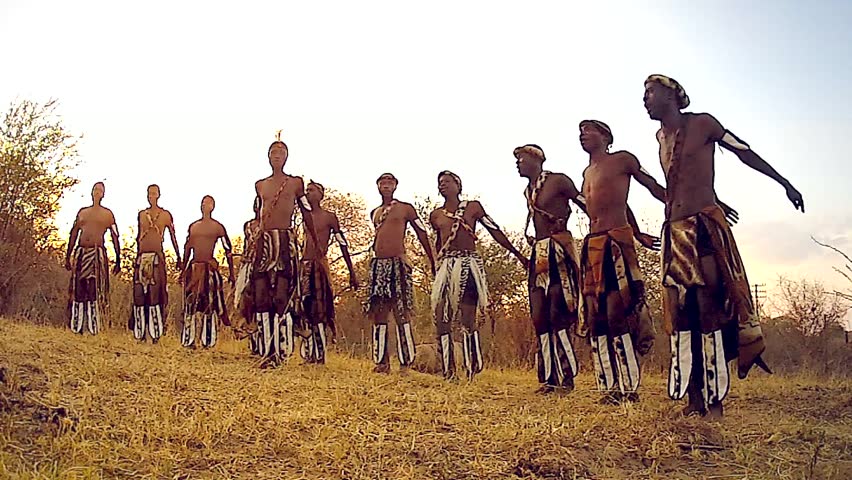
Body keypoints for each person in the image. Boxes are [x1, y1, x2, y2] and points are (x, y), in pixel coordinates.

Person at [643, 74, 804, 417]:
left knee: (708, 307)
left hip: (703, 227)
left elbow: (743, 151)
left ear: (672, 95)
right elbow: (680, 179)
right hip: (675, 231)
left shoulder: (702, 123)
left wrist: (784, 182)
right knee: (682, 314)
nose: (645, 98)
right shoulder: (660, 136)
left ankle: (715, 400)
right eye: (644, 93)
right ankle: (693, 397)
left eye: (651, 91)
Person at [575, 120, 663, 403]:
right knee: (596, 315)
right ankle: (607, 387)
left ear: (606, 136)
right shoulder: (587, 173)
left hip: (616, 240)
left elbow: (650, 185)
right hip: (593, 243)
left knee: (618, 311)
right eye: (580, 132)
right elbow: (592, 205)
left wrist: (638, 233)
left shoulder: (623, 160)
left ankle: (629, 386)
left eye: (589, 131)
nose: (583, 135)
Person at [428, 170, 527, 381]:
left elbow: (494, 230)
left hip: (468, 263)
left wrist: (518, 254)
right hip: (446, 265)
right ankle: (449, 371)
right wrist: (435, 266)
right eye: (440, 183)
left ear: (458, 185)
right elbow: (438, 242)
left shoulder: (473, 207)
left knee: (467, 317)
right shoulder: (436, 215)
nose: (442, 185)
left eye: (447, 181)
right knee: (442, 316)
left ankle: (472, 368)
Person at [515, 144, 585, 394]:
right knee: (539, 316)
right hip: (539, 253)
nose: (517, 163)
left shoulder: (558, 181)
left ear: (537, 159)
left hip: (558, 248)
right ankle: (548, 378)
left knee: (559, 311)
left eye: (521, 158)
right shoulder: (528, 191)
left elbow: (584, 203)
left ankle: (567, 378)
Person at [253, 134, 319, 367]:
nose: (277, 155)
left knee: (282, 296)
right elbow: (257, 213)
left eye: (281, 152)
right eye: (273, 152)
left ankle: (280, 351)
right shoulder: (260, 184)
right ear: (268, 157)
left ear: (286, 157)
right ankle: (265, 350)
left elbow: (306, 211)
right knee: (261, 298)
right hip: (264, 242)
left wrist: (315, 243)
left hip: (284, 241)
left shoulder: (295, 183)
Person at [367, 173, 435, 374]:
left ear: (395, 186)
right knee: (379, 313)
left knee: (401, 311)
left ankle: (406, 363)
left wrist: (432, 259)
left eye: (390, 182)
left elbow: (421, 232)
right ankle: (381, 362)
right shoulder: (375, 212)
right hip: (378, 266)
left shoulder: (405, 208)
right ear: (378, 186)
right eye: (383, 182)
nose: (386, 185)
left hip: (398, 264)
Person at [299, 181, 359, 364]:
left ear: (321, 194)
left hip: (319, 266)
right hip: (303, 265)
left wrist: (351, 271)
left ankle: (321, 354)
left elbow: (342, 243)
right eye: (307, 190)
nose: (309, 193)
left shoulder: (329, 217)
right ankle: (309, 353)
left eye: (312, 190)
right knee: (304, 309)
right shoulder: (304, 216)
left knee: (320, 310)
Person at [65, 182, 121, 335]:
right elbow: (73, 233)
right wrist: (68, 255)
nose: (97, 193)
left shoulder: (107, 214)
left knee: (94, 288)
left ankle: (93, 326)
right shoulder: (82, 212)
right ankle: (77, 326)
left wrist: (118, 259)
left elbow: (115, 236)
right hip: (81, 252)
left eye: (100, 191)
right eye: (95, 190)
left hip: (97, 254)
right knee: (78, 288)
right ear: (91, 192)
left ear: (103, 194)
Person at [180, 195, 234, 349]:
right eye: (203, 203)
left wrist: (231, 273)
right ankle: (188, 341)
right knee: (190, 304)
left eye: (208, 203)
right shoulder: (194, 227)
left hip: (209, 270)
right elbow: (187, 248)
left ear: (213, 207)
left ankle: (208, 342)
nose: (205, 205)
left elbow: (227, 250)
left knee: (209, 305)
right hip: (194, 269)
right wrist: (184, 270)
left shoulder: (218, 227)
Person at [131, 184, 181, 344]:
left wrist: (179, 257)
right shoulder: (141, 215)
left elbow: (173, 236)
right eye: (149, 194)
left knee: (155, 295)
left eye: (154, 193)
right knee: (139, 296)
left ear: (159, 195)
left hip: (157, 259)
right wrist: (136, 257)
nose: (151, 196)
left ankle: (155, 333)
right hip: (142, 257)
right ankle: (140, 333)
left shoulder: (165, 215)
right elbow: (139, 236)